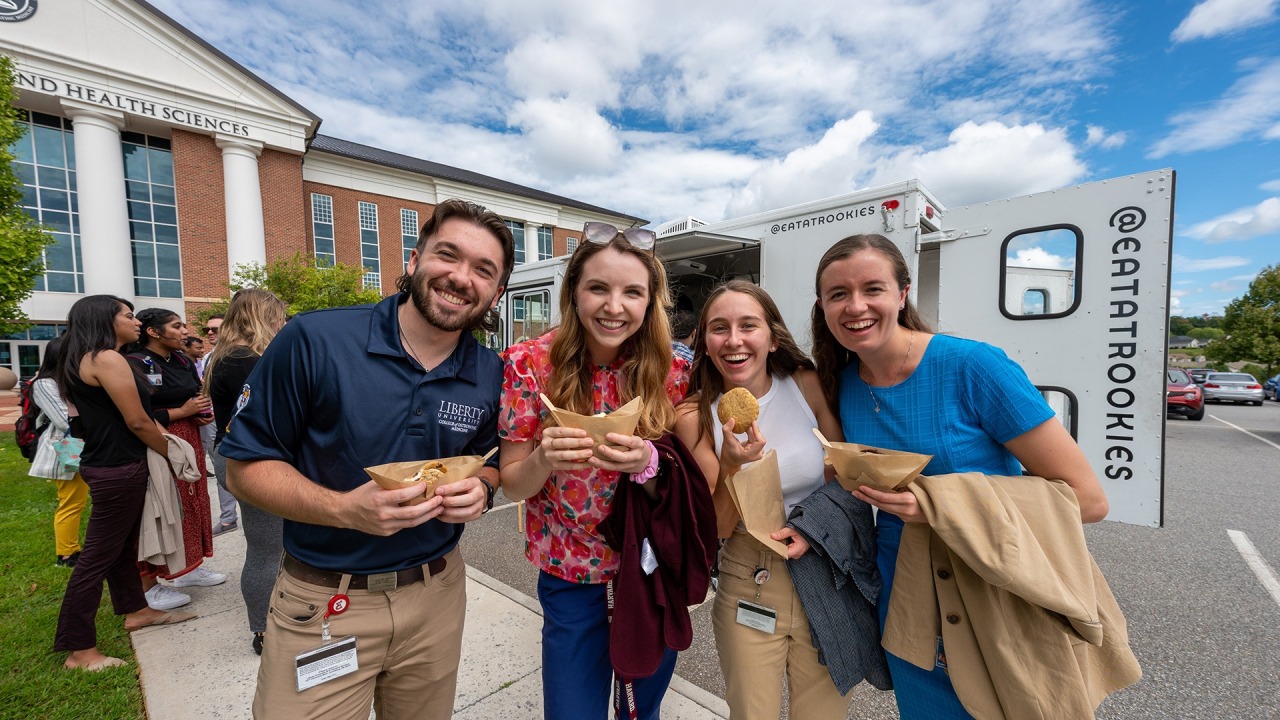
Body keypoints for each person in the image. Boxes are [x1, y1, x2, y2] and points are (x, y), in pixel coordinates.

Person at [221, 198, 513, 720]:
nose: (461, 277)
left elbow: (489, 458)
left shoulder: (491, 372)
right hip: (324, 600)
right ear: (415, 259)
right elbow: (244, 469)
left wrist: (485, 487)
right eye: (448, 255)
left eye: (483, 270)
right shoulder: (315, 339)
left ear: (496, 292)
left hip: (437, 595)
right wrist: (344, 510)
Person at [810, 233, 1109, 719]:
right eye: (838, 294)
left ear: (903, 294)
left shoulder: (973, 366)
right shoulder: (841, 382)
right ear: (822, 306)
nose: (855, 305)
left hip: (991, 590)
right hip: (905, 598)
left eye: (873, 288)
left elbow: (1088, 500)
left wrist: (938, 503)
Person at [499, 221, 692, 720]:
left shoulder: (673, 372)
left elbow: (690, 478)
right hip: (569, 575)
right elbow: (512, 481)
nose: (614, 306)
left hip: (649, 570)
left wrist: (649, 462)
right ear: (574, 293)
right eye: (598, 288)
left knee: (637, 712)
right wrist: (543, 458)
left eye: (633, 292)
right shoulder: (528, 365)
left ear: (650, 301)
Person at [673, 280, 859, 719]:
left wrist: (816, 529)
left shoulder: (804, 384)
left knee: (824, 713)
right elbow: (715, 528)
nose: (734, 340)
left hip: (826, 564)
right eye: (719, 328)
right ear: (704, 341)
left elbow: (845, 475)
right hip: (747, 574)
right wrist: (732, 466)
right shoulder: (693, 414)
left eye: (748, 326)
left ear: (773, 338)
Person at [52, 295, 195, 671]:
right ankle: (79, 649)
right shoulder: (107, 358)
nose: (135, 322)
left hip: (108, 464)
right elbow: (138, 421)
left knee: (122, 549)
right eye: (128, 316)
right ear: (105, 321)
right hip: (119, 467)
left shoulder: (83, 357)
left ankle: (136, 610)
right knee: (98, 557)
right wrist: (174, 453)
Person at [202, 288, 288, 655]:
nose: (283, 323)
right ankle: (264, 629)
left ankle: (273, 618)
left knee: (268, 545)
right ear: (264, 318)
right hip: (254, 459)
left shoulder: (224, 357)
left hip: (235, 455)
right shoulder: (246, 361)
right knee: (268, 549)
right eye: (279, 317)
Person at [126, 308, 225, 611]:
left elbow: (194, 393)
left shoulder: (181, 358)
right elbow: (135, 415)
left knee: (193, 504)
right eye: (177, 326)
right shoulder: (135, 364)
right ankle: (150, 585)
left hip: (189, 438)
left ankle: (187, 568)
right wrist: (182, 412)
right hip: (159, 442)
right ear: (153, 332)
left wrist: (202, 410)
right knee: (164, 508)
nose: (185, 331)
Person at [29, 336, 89, 568]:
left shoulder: (68, 380)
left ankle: (73, 549)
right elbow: (64, 420)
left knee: (80, 501)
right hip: (67, 447)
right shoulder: (45, 383)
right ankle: (66, 553)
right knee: (71, 501)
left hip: (80, 444)